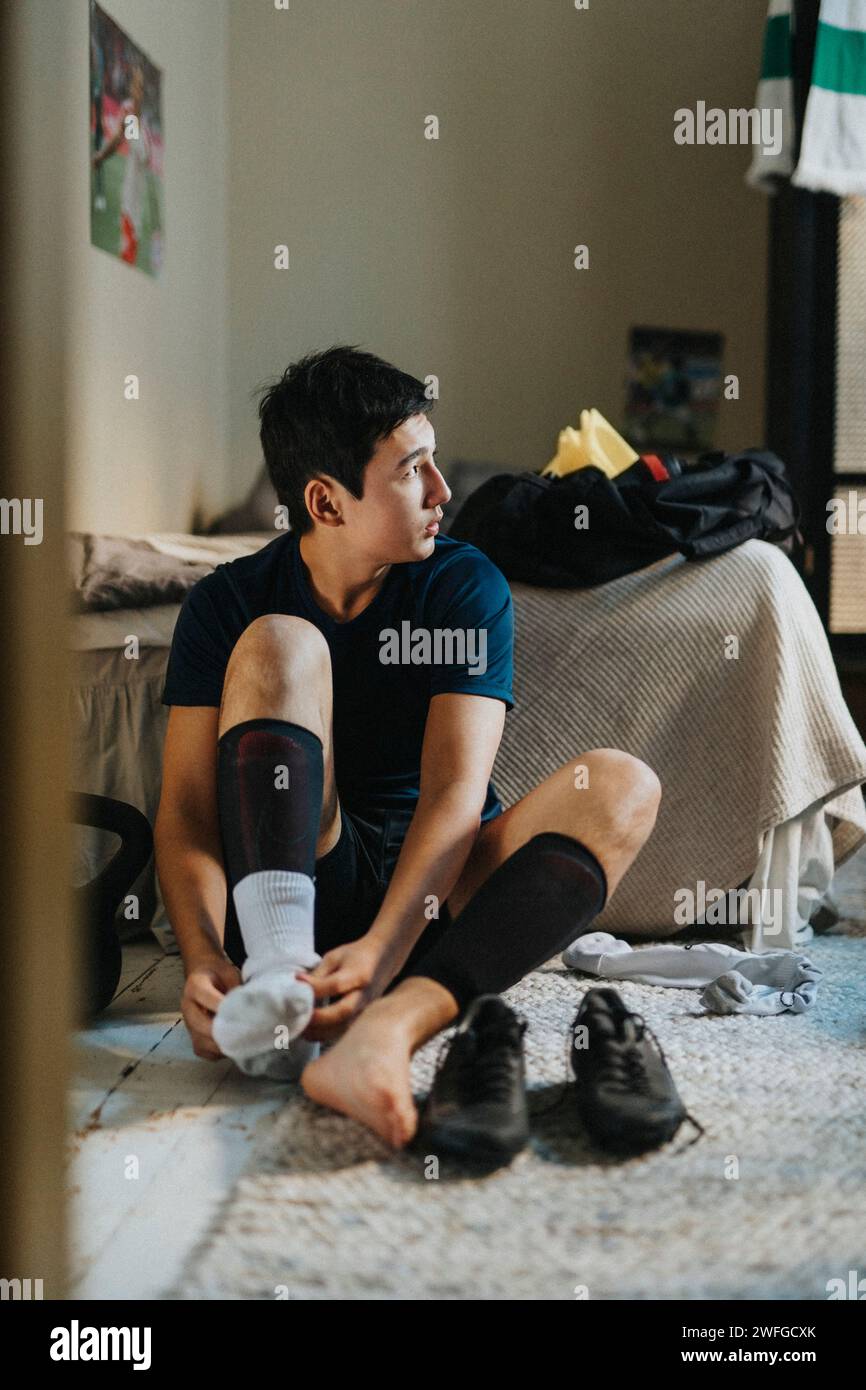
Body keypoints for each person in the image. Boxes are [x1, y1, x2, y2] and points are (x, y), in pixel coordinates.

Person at [155, 345, 661, 1149]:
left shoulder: (465, 585)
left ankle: (388, 1030)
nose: (443, 492)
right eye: (411, 470)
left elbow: (455, 797)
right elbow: (185, 811)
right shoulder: (230, 601)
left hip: (446, 886)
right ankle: (284, 982)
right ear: (326, 502)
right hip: (301, 873)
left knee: (625, 786)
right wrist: (203, 955)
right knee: (280, 643)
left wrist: (384, 957)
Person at [92, 65, 150, 267]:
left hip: (138, 202)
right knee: (127, 258)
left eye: (140, 86)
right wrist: (100, 157)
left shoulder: (144, 122)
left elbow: (141, 151)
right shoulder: (129, 114)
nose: (137, 90)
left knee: (129, 256)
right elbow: (119, 139)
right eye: (135, 84)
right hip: (130, 202)